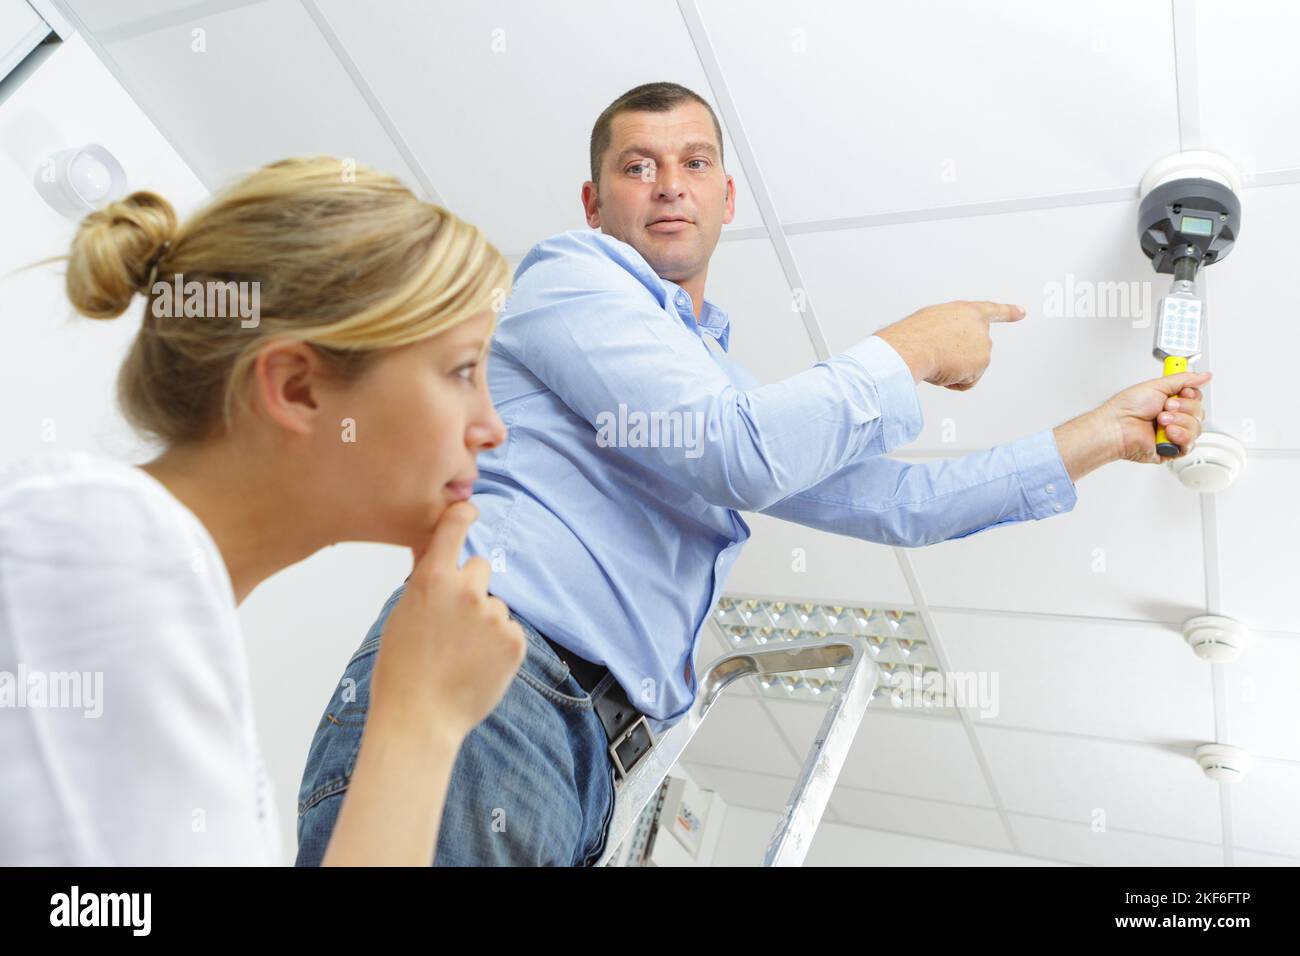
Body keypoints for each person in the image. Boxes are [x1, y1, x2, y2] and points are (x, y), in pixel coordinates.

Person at [295, 83, 1210, 867]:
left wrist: (1102, 434)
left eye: (693, 164)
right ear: (593, 199)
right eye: (637, 165)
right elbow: (736, 448)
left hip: (593, 757)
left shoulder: (725, 393)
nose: (667, 186)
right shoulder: (566, 279)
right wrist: (914, 349)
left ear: (728, 198)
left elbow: (902, 504)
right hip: (495, 688)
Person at [0, 156, 529, 865]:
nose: (492, 427)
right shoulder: (93, 555)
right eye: (463, 370)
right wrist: (420, 721)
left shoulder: (152, 593)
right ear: (298, 388)